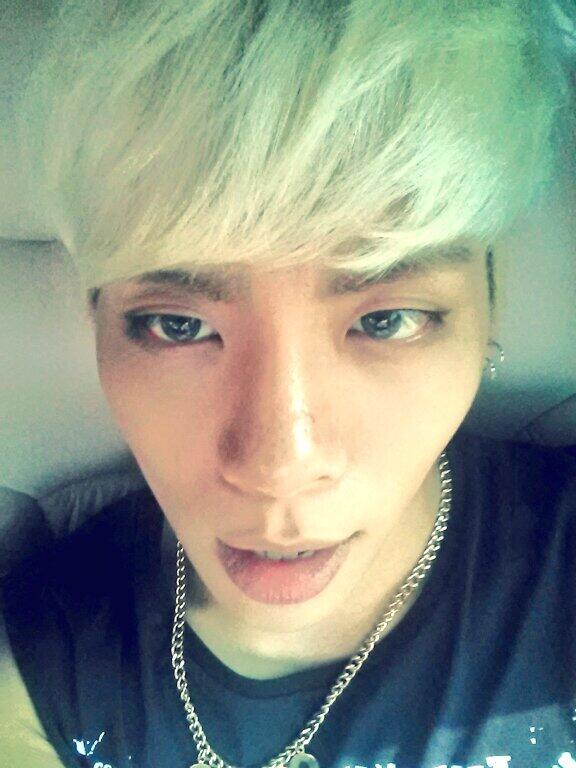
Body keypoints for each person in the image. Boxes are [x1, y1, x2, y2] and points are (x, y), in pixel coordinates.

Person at [1, 1, 576, 767]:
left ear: (488, 307)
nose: (279, 468)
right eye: (177, 324)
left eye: (386, 320)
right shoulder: (46, 646)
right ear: (96, 318)